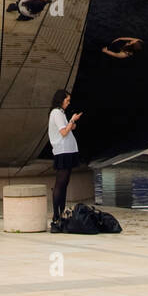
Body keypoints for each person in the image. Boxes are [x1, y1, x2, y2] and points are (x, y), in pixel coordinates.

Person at [48, 89, 81, 229]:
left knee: (65, 182)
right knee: (60, 183)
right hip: (62, 150)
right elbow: (63, 132)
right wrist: (72, 120)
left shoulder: (61, 113)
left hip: (68, 150)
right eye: (67, 100)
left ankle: (61, 213)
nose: (68, 103)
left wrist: (72, 123)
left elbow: (67, 129)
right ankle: (56, 214)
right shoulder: (56, 113)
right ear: (61, 100)